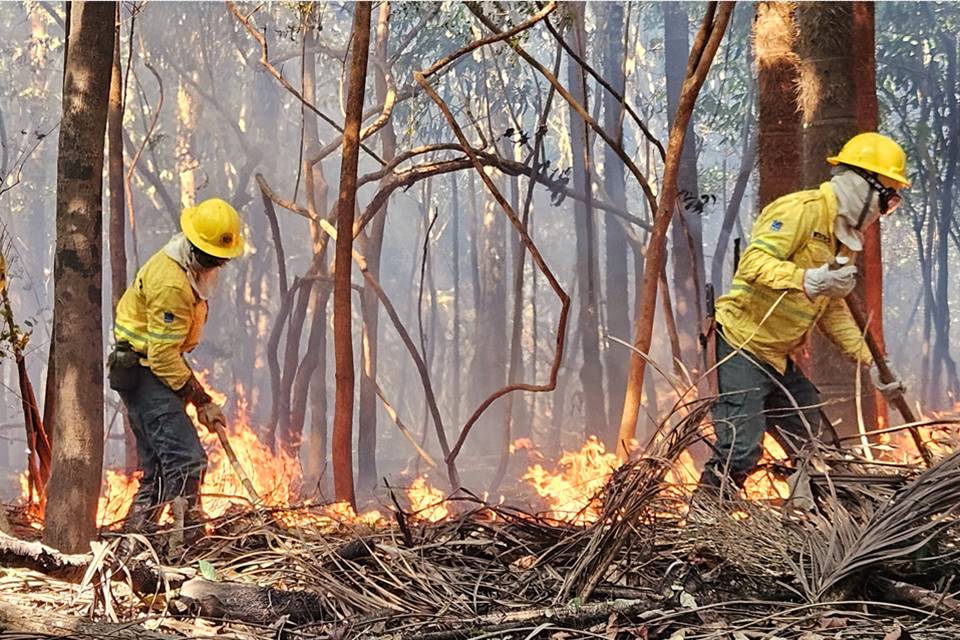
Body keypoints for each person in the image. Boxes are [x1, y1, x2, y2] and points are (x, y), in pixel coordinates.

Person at [700, 132, 909, 494]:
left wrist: (873, 361)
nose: (884, 212)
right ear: (864, 184)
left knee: (815, 446)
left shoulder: (843, 239)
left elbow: (832, 310)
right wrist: (807, 279)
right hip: (740, 346)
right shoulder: (800, 210)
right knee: (741, 449)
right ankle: (703, 518)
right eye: (887, 200)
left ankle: (810, 515)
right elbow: (753, 264)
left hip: (778, 358)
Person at [108, 198, 244, 535]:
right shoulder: (171, 284)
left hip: (150, 367)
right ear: (195, 247)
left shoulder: (186, 267)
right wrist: (202, 400)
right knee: (186, 459)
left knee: (157, 470)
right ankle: (185, 540)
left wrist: (198, 399)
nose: (215, 265)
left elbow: (167, 351)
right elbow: (162, 356)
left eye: (221, 260)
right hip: (145, 372)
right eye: (211, 258)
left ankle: (135, 543)